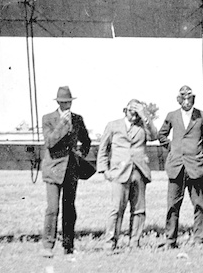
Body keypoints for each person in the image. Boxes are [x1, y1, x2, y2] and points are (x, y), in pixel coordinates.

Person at [158, 85, 203, 247]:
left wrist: (202, 151)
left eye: (189, 98)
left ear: (193, 99)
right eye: (183, 98)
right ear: (179, 100)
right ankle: (170, 240)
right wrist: (173, 148)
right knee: (172, 206)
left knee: (199, 205)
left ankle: (198, 239)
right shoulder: (172, 116)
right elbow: (161, 135)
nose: (186, 102)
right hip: (176, 167)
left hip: (195, 167)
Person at [97, 99, 159, 250]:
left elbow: (154, 136)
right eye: (132, 112)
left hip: (139, 172)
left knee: (138, 209)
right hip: (119, 173)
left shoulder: (143, 126)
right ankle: (110, 243)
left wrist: (145, 115)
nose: (134, 115)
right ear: (125, 111)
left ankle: (134, 242)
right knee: (116, 208)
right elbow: (103, 149)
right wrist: (104, 170)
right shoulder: (113, 125)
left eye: (137, 113)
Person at [40, 86, 91, 258]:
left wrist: (81, 155)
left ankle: (68, 247)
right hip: (53, 170)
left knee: (69, 209)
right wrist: (62, 124)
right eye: (63, 102)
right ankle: (47, 246)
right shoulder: (48, 119)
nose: (67, 105)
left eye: (68, 102)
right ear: (58, 103)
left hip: (71, 171)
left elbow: (86, 141)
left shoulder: (78, 119)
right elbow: (49, 142)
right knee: (52, 208)